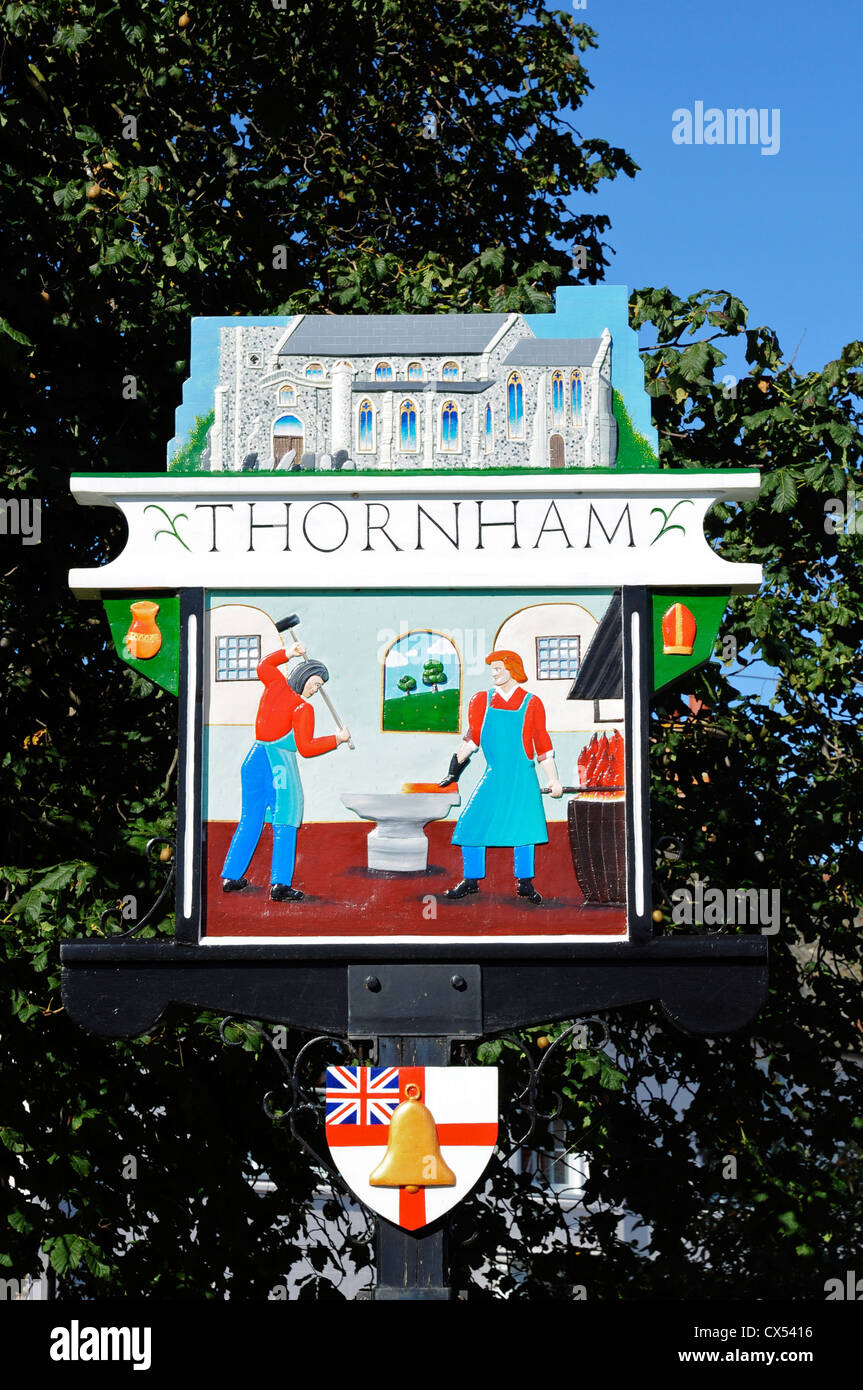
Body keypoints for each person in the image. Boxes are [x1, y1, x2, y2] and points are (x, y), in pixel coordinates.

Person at [221, 643, 351, 902]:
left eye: (319, 686)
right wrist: (337, 739)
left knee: (251, 818)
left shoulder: (275, 684)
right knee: (285, 819)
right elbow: (306, 748)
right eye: (314, 683)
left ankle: (231, 876)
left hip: (253, 759)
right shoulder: (303, 709)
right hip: (277, 764)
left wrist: (288, 652)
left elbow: (264, 666)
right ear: (302, 678)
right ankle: (279, 884)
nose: (315, 690)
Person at [442, 649, 562, 905]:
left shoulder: (532, 702)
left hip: (523, 777)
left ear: (512, 669)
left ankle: (525, 883)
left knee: (524, 829)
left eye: (498, 668)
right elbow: (472, 739)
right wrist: (453, 771)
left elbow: (542, 746)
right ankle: (471, 880)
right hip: (494, 774)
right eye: (492, 669)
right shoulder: (481, 701)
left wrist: (553, 780)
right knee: (470, 823)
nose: (494, 673)